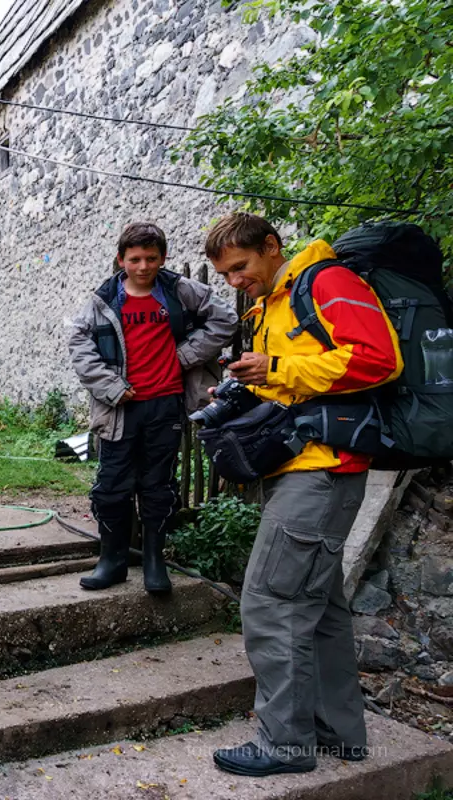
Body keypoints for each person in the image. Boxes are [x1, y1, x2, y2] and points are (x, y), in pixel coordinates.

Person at [205, 212, 403, 777]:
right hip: (303, 467)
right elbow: (301, 379)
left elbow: (378, 359)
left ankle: (283, 745)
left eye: (241, 267)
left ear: (272, 247)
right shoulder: (273, 304)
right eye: (226, 275)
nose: (235, 281)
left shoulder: (328, 282)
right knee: (319, 609)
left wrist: (277, 366)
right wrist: (254, 378)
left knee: (272, 601)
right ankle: (339, 733)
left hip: (322, 469)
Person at [68, 222, 237, 594]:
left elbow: (226, 319)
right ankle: (111, 560)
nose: (143, 266)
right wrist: (112, 387)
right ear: (121, 260)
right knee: (112, 486)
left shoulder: (178, 291)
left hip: (165, 404)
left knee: (157, 486)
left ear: (163, 258)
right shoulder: (103, 301)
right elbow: (80, 346)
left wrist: (185, 355)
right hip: (119, 410)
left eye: (151, 258)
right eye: (135, 259)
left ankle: (154, 561)